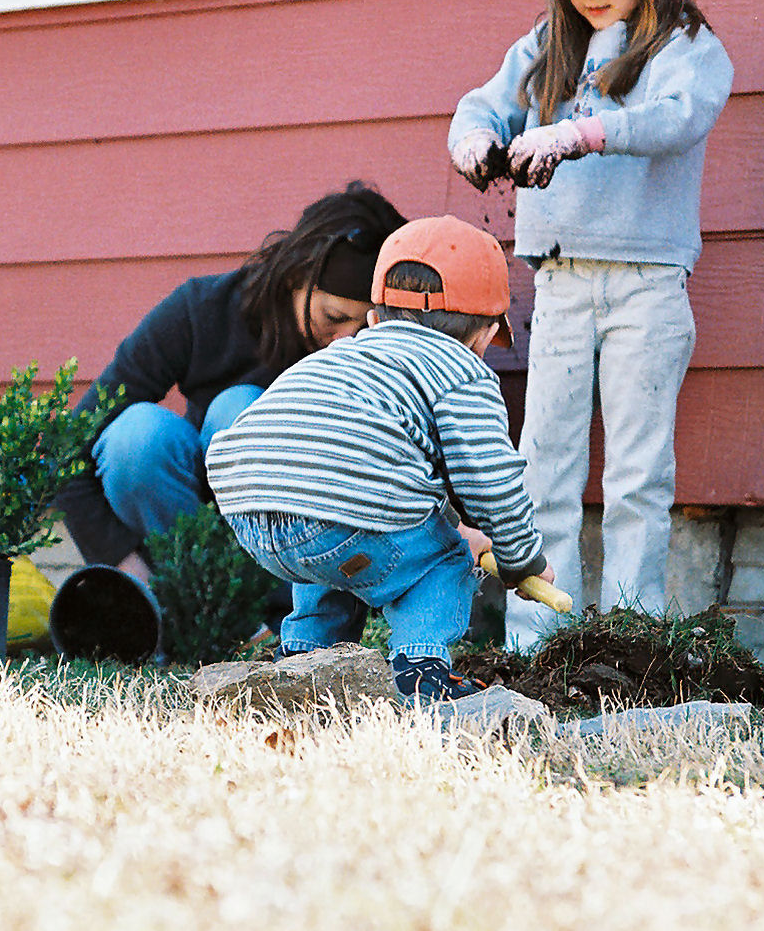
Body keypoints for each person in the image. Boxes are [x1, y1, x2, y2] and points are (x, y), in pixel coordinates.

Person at [448, 0, 734, 651]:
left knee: (638, 471)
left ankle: (632, 641)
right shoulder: (549, 45)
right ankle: (537, 641)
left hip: (646, 282)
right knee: (542, 463)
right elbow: (480, 104)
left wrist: (582, 133)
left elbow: (678, 116)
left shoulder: (686, 47)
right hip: (562, 282)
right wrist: (475, 138)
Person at [205, 216, 555, 700]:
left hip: (251, 506)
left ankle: (304, 661)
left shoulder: (344, 355)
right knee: (443, 559)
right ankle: (421, 674)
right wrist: (520, 558)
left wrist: (448, 521)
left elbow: (384, 468)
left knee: (329, 538)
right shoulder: (462, 371)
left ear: (374, 317)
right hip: (337, 513)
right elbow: (489, 478)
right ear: (483, 335)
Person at [53, 183, 408, 601]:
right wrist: (126, 569)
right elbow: (68, 449)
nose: (348, 339)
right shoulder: (204, 308)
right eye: (334, 316)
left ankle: (263, 618)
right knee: (139, 438)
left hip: (294, 563)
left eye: (366, 325)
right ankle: (184, 608)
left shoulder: (380, 353)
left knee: (240, 409)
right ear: (296, 274)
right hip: (182, 534)